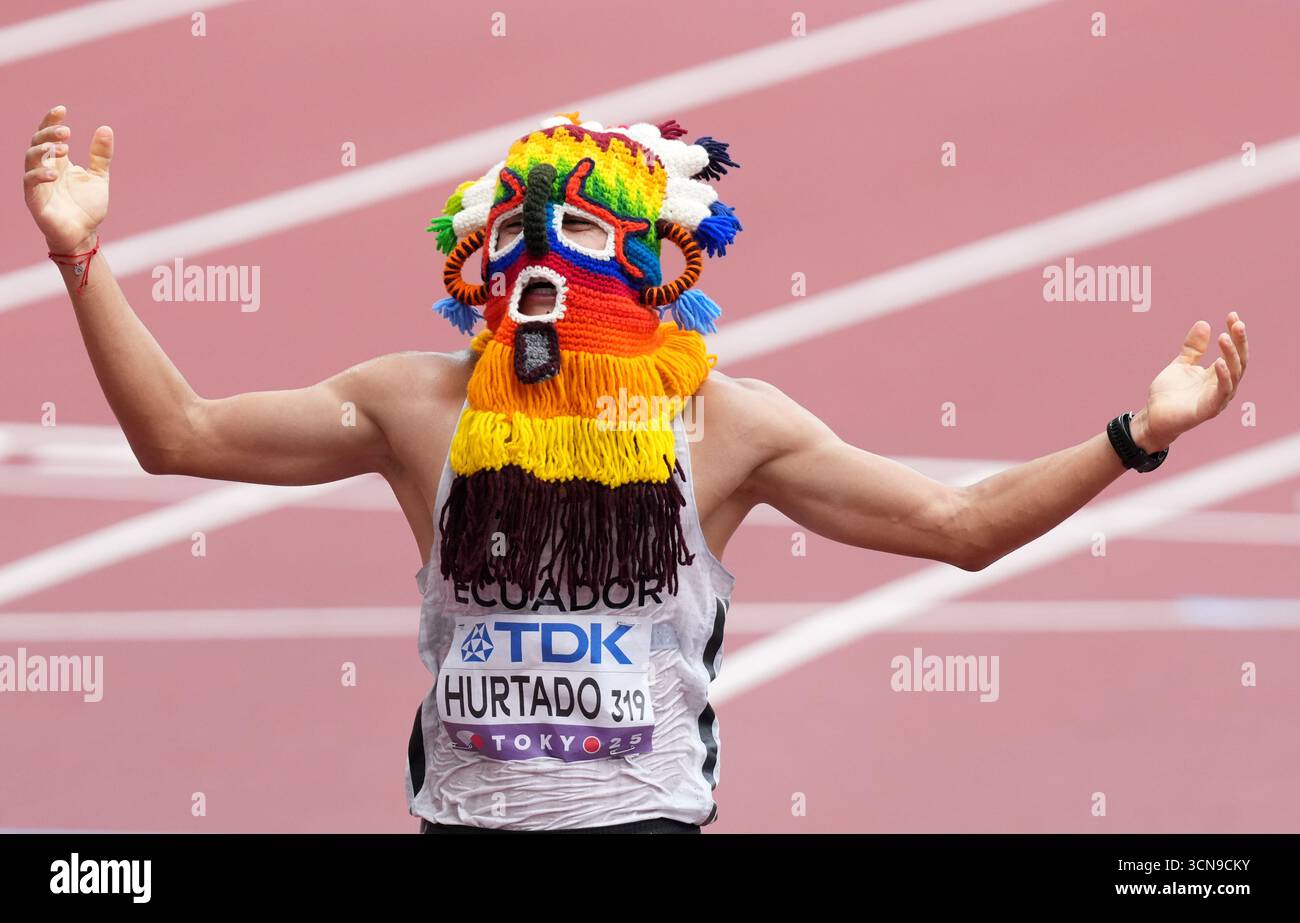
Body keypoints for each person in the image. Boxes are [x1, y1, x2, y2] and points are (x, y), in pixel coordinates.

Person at [23, 106, 1250, 834]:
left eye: (580, 234)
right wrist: (83, 261)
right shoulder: (414, 404)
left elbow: (957, 521)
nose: (542, 264)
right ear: (481, 245)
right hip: (464, 827)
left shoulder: (726, 424)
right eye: (518, 230)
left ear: (652, 257)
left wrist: (1135, 435)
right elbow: (176, 434)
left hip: (646, 825)